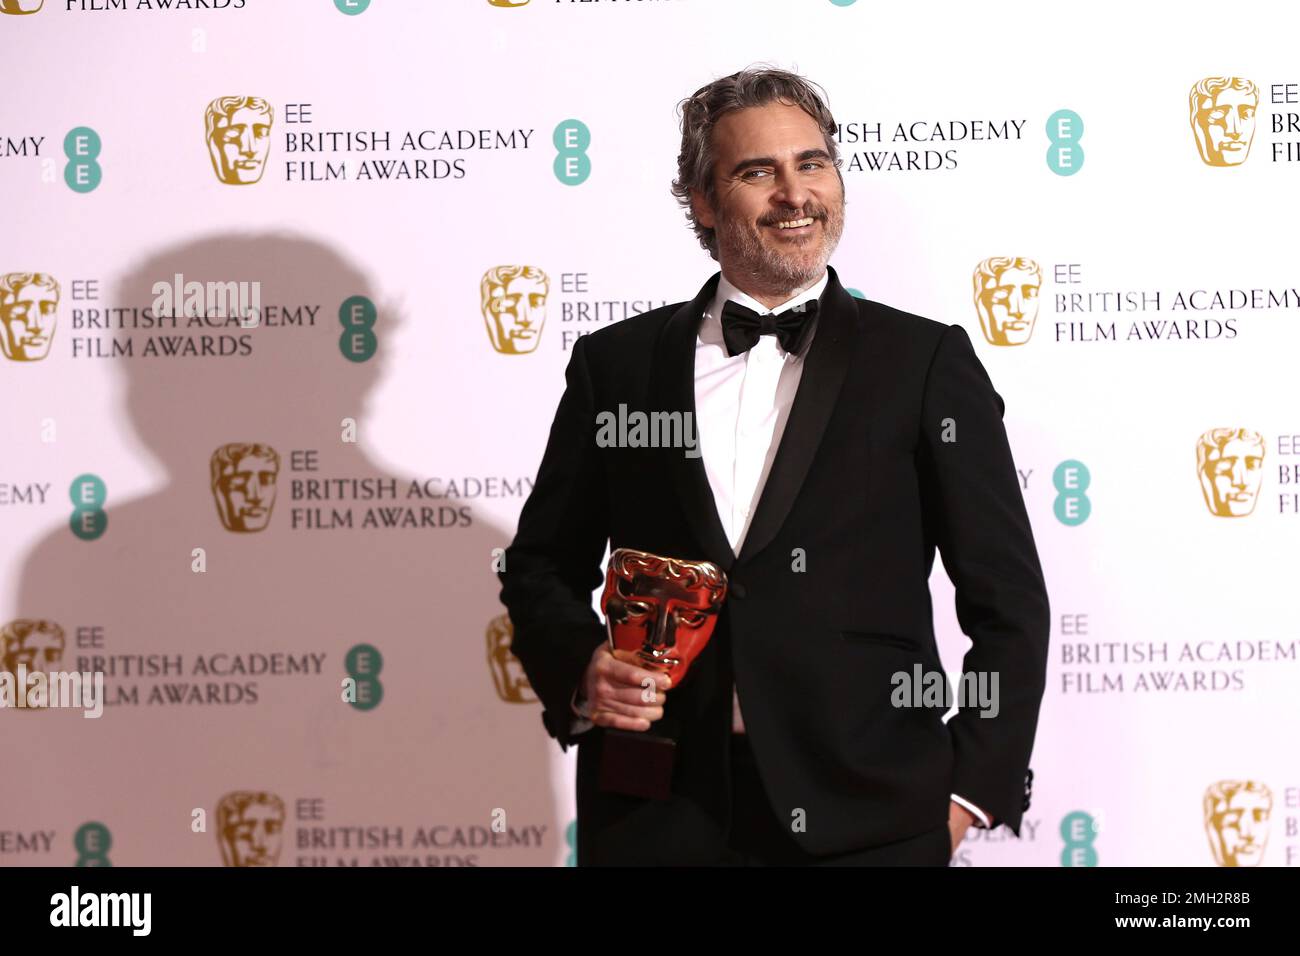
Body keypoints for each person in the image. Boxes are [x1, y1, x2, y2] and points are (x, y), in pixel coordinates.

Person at [498, 66, 1049, 866]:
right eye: (759, 171)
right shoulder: (615, 367)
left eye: (813, 163)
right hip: (655, 815)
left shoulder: (924, 363)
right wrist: (584, 673)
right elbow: (543, 563)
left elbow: (1008, 600)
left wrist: (965, 798)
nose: (796, 195)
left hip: (871, 820)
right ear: (702, 200)